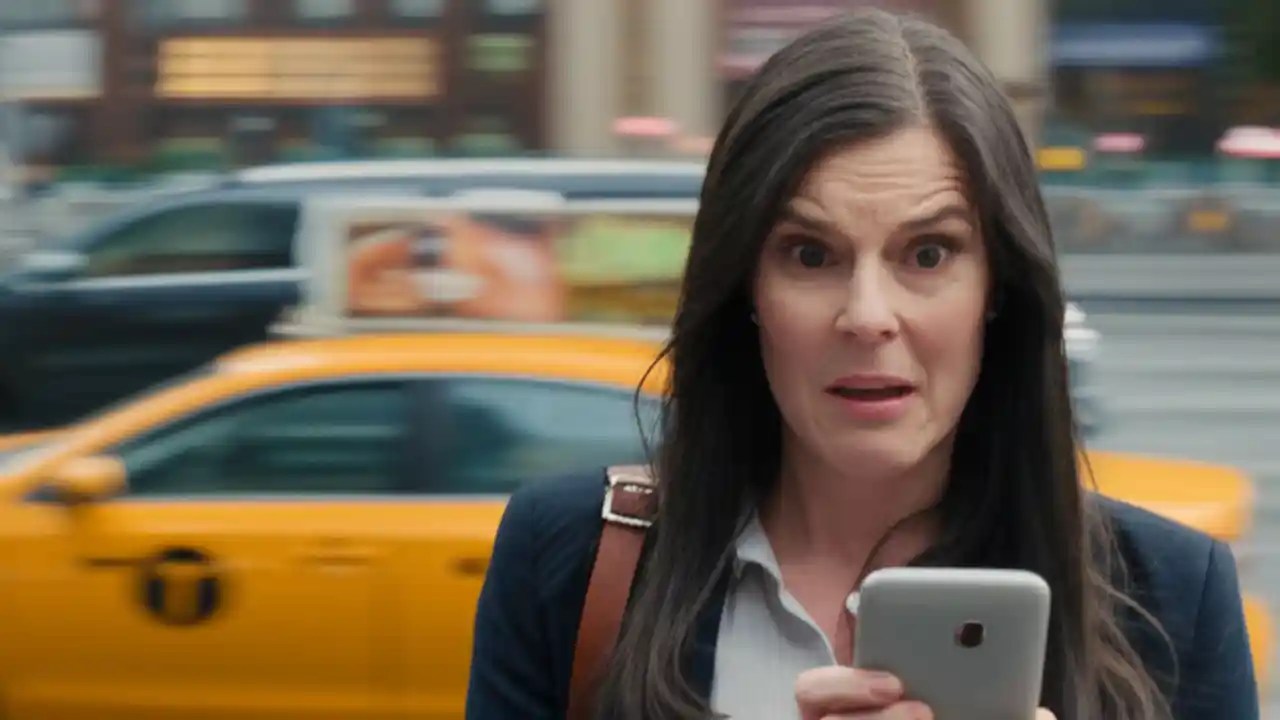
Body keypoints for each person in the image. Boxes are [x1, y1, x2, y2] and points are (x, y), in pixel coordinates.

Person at [465, 9, 1257, 720]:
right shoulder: (571, 560)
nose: (868, 316)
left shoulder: (1173, 597)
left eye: (927, 253)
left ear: (997, 288)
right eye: (811, 254)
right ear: (746, 285)